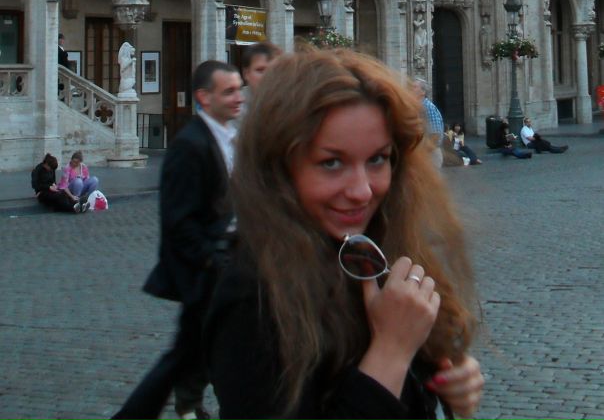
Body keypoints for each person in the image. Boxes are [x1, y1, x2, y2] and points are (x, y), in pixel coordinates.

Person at [204, 49, 484, 420]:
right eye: (331, 163)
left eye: (377, 159)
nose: (362, 191)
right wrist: (391, 351)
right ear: (279, 168)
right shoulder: (250, 295)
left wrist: (445, 379)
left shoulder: (380, 249)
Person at [110, 60, 243, 420]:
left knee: (194, 352)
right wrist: (212, 261)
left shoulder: (226, 137)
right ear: (204, 97)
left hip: (220, 265)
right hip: (204, 272)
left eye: (238, 89)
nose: (239, 97)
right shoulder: (189, 144)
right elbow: (178, 219)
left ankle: (191, 405)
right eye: (229, 91)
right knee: (188, 354)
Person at [410, 78, 444, 169]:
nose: (411, 89)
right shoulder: (418, 107)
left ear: (423, 92)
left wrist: (423, 152)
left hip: (430, 155)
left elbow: (435, 134)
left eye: (415, 87)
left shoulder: (428, 107)